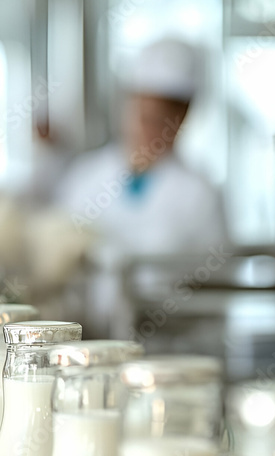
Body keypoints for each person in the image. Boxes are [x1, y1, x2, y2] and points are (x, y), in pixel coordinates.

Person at [54, 38, 227, 337]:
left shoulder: (199, 194)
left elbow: (216, 287)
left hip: (172, 349)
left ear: (184, 117)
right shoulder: (86, 177)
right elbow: (55, 258)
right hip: (91, 342)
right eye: (143, 113)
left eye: (164, 117)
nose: (149, 127)